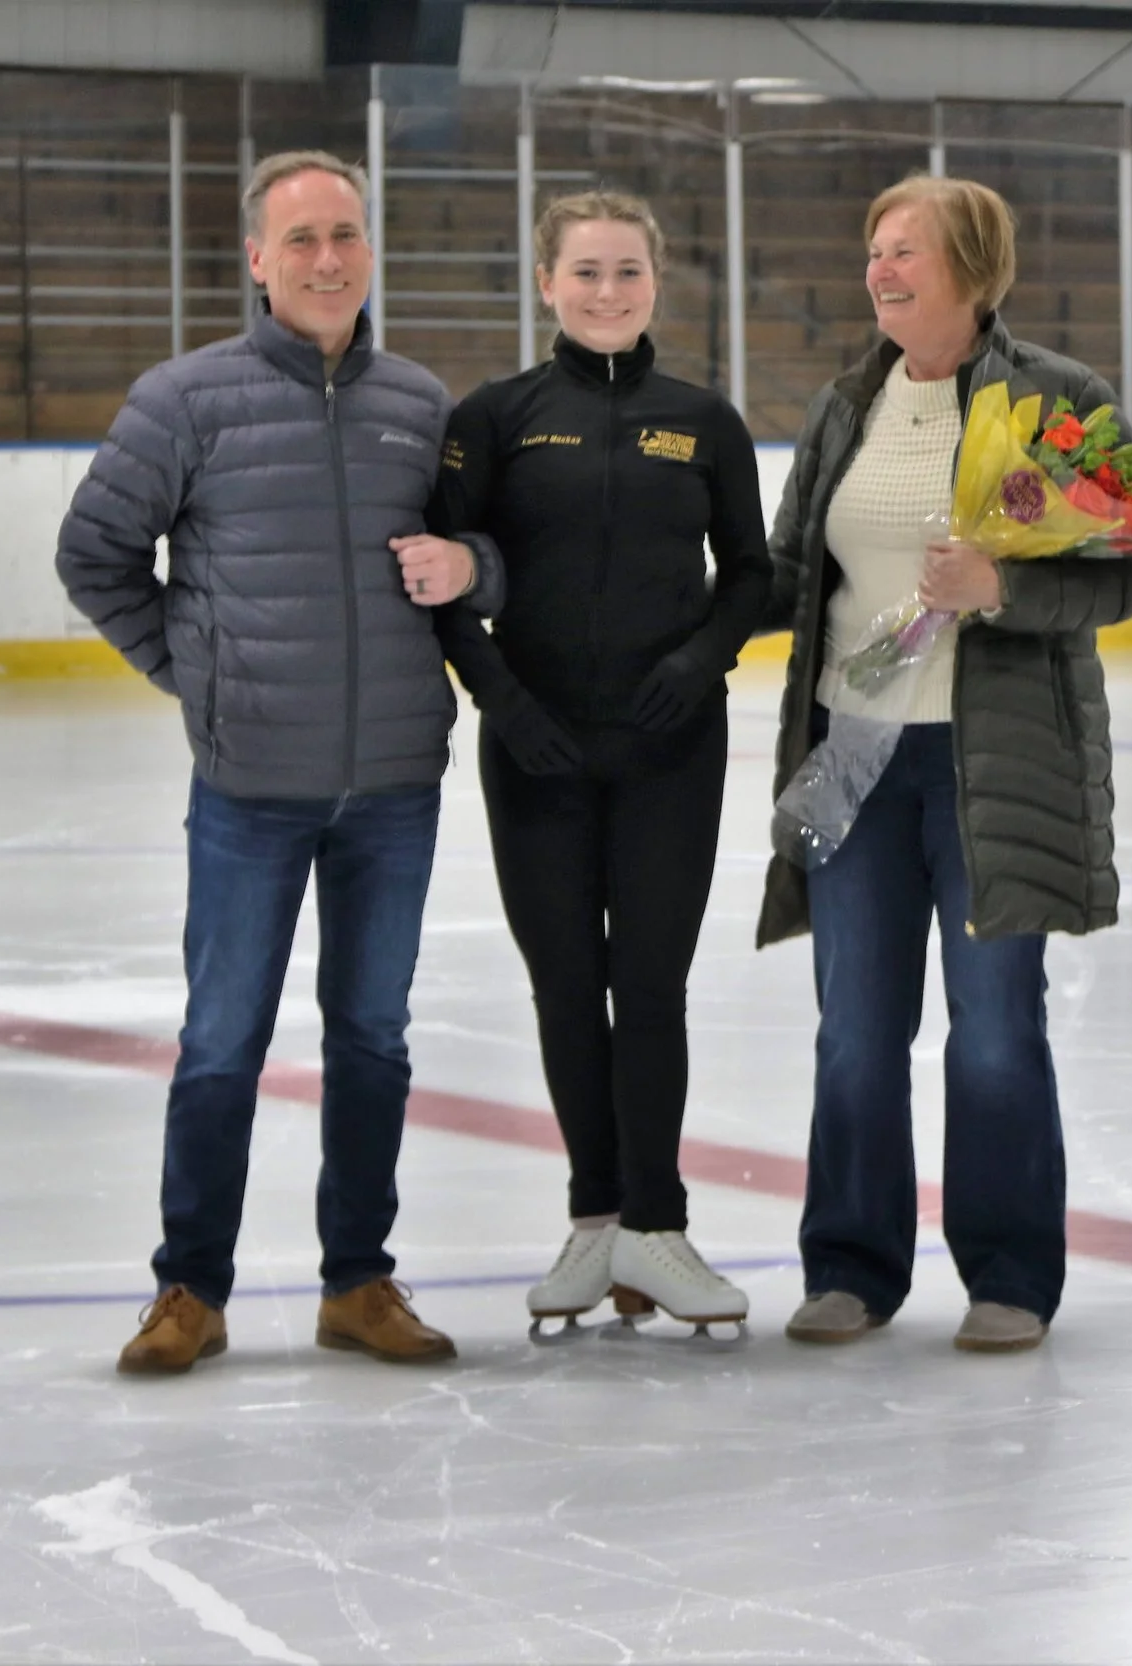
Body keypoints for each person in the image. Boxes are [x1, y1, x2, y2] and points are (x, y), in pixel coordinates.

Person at [57, 150, 504, 1375]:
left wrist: (477, 571)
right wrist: (200, 679)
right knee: (223, 1040)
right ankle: (188, 1288)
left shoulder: (421, 402)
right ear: (256, 258)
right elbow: (96, 554)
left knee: (372, 1037)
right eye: (300, 238)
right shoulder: (184, 399)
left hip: (394, 787)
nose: (325, 259)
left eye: (345, 235)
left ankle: (357, 1281)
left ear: (371, 251)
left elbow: (478, 559)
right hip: (250, 788)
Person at [757, 175, 1132, 1353]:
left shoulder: (1057, 403)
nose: (880, 272)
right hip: (856, 754)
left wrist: (1004, 587)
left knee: (992, 1028)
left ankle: (1010, 1275)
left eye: (905, 254)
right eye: (874, 251)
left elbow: (1127, 571)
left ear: (975, 270)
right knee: (854, 1029)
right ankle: (850, 1266)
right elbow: (790, 567)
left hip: (993, 763)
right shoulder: (847, 406)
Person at [428, 190, 770, 1337]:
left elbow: (754, 577)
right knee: (568, 983)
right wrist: (500, 700)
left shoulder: (704, 420)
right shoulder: (494, 418)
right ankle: (593, 1222)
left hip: (671, 747)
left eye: (628, 271)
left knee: (653, 984)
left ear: (656, 281)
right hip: (537, 747)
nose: (608, 292)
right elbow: (444, 578)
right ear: (545, 283)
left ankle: (658, 1227)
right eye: (585, 273)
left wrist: (699, 664)